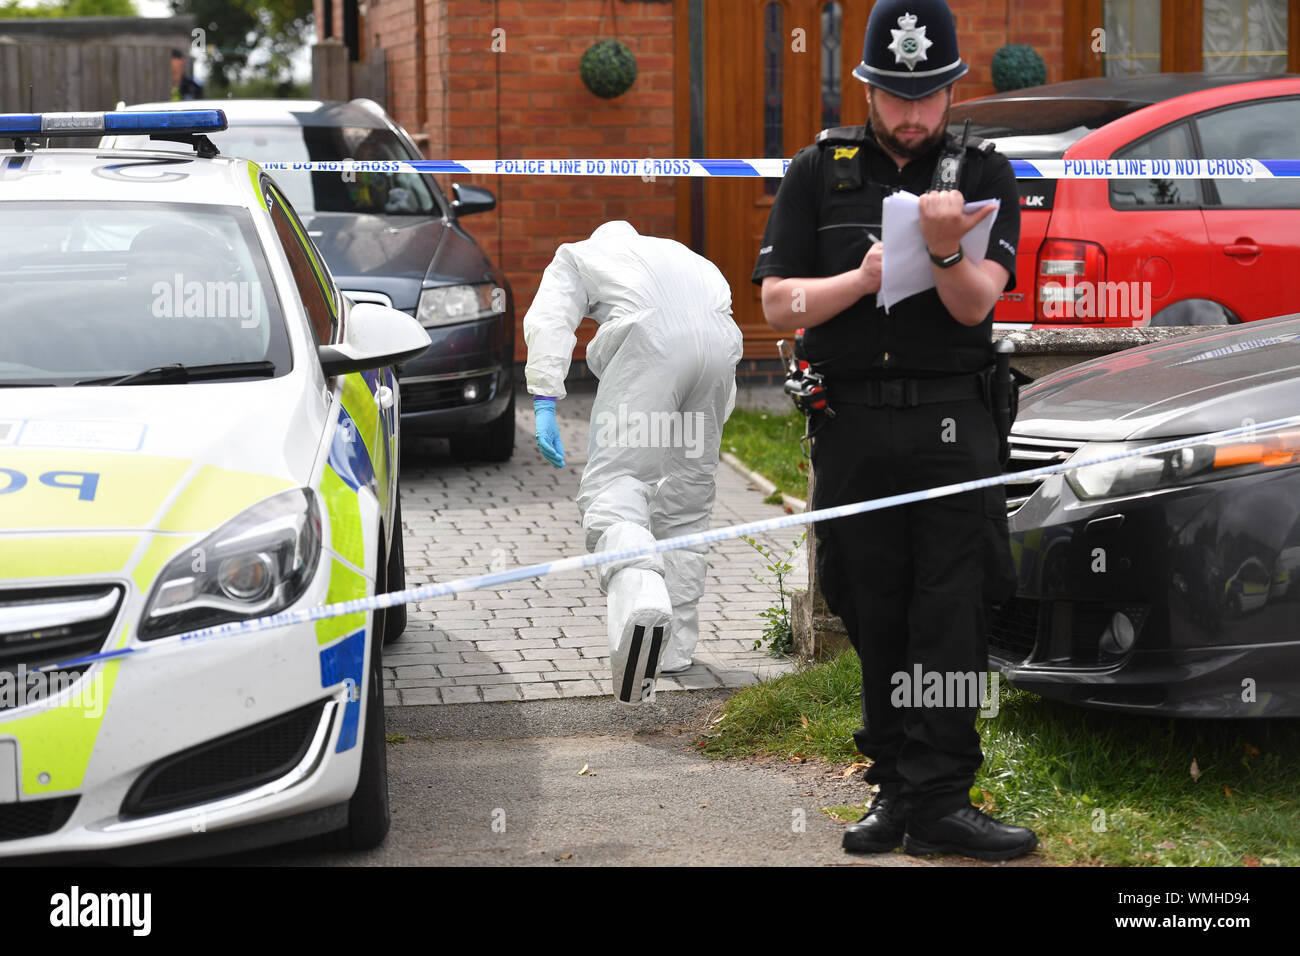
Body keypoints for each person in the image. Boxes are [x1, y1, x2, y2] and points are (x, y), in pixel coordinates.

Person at [751, 0, 1036, 860]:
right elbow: (775, 301)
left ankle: (944, 798)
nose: (911, 115)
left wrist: (945, 250)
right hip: (854, 425)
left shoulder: (984, 172)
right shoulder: (818, 170)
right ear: (868, 86)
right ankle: (893, 792)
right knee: (872, 607)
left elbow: (978, 302)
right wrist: (861, 277)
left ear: (950, 89)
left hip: (953, 417)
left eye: (929, 96)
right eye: (895, 96)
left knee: (948, 612)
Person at [523, 221, 743, 701]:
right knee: (687, 503)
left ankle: (641, 597)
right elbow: (722, 329)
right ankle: (675, 651)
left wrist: (543, 397)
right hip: (718, 349)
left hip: (653, 347)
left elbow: (551, 318)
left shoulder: (580, 254)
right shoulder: (683, 253)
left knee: (615, 487)